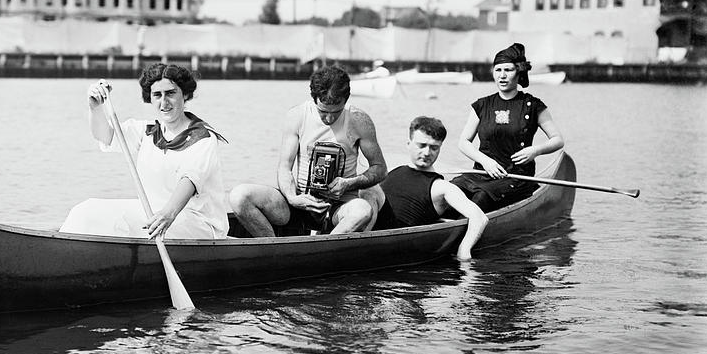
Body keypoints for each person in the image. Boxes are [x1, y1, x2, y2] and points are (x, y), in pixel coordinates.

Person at [60, 63, 229, 239]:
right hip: (155, 214)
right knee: (86, 209)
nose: (164, 102)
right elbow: (105, 136)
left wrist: (167, 214)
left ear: (185, 94)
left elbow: (190, 180)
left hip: (198, 223)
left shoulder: (203, 137)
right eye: (157, 95)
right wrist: (95, 107)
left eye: (171, 93)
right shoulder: (147, 132)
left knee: (120, 222)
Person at [229, 65, 387, 236]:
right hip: (300, 201)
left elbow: (380, 169)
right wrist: (292, 198)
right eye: (323, 112)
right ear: (314, 99)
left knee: (362, 210)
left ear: (346, 100)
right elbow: (284, 168)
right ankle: (274, 249)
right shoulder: (297, 116)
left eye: (336, 112)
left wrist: (348, 183)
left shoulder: (359, 120)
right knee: (239, 196)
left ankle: (323, 251)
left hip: (339, 206)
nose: (329, 118)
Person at [450, 42, 564, 212]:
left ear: (519, 72)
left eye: (508, 70)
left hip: (516, 177)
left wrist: (536, 151)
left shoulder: (533, 105)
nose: (502, 76)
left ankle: (462, 234)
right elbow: (463, 142)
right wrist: (485, 161)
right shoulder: (482, 105)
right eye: (498, 70)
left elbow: (558, 140)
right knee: (450, 192)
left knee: (480, 198)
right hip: (481, 174)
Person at [372, 116, 488, 260]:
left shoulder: (442, 187)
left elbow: (480, 218)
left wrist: (464, 249)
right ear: (408, 144)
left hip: (396, 240)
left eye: (434, 148)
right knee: (368, 185)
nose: (427, 153)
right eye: (421, 145)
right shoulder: (392, 170)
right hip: (372, 228)